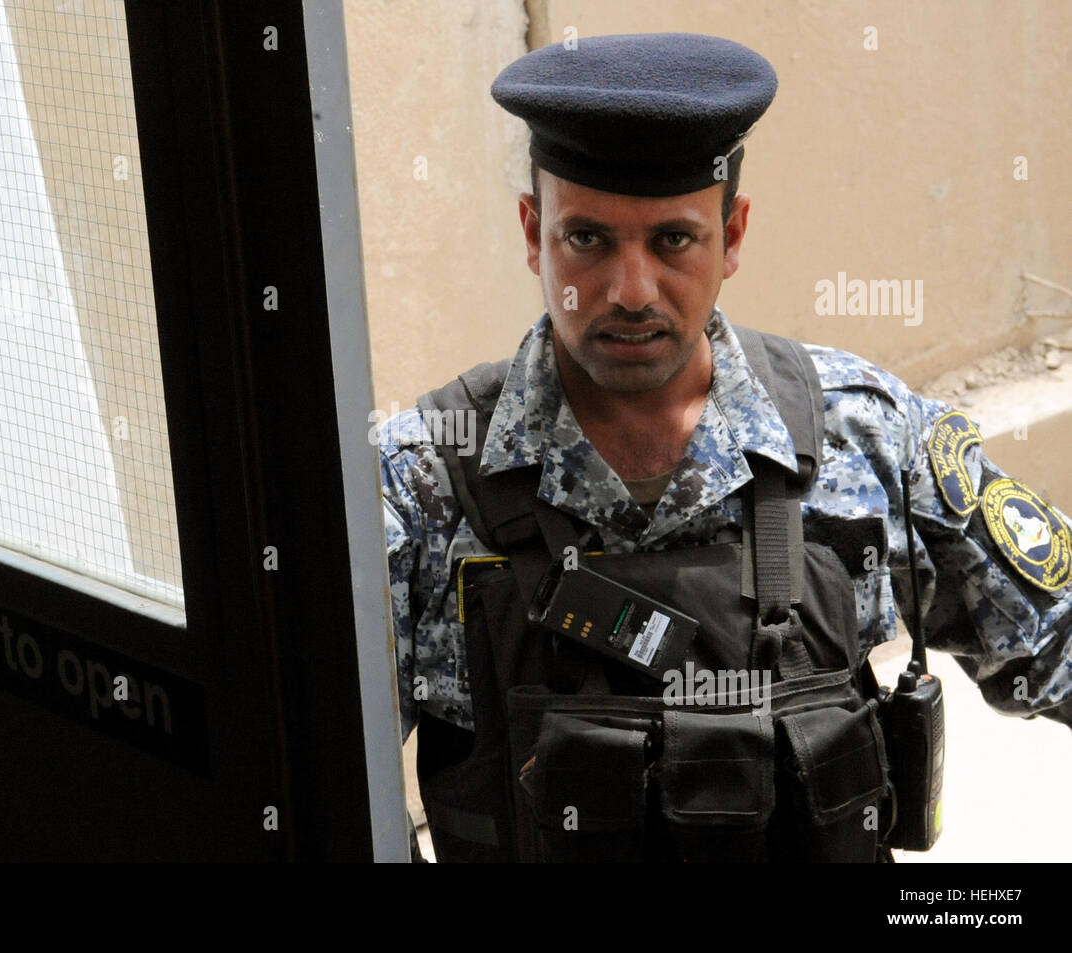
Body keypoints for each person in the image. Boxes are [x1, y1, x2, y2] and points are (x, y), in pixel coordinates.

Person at [377, 32, 1072, 863]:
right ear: (535, 232)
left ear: (732, 234)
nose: (631, 290)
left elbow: (1057, 641)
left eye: (672, 239)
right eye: (588, 239)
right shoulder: (421, 483)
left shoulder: (869, 438)